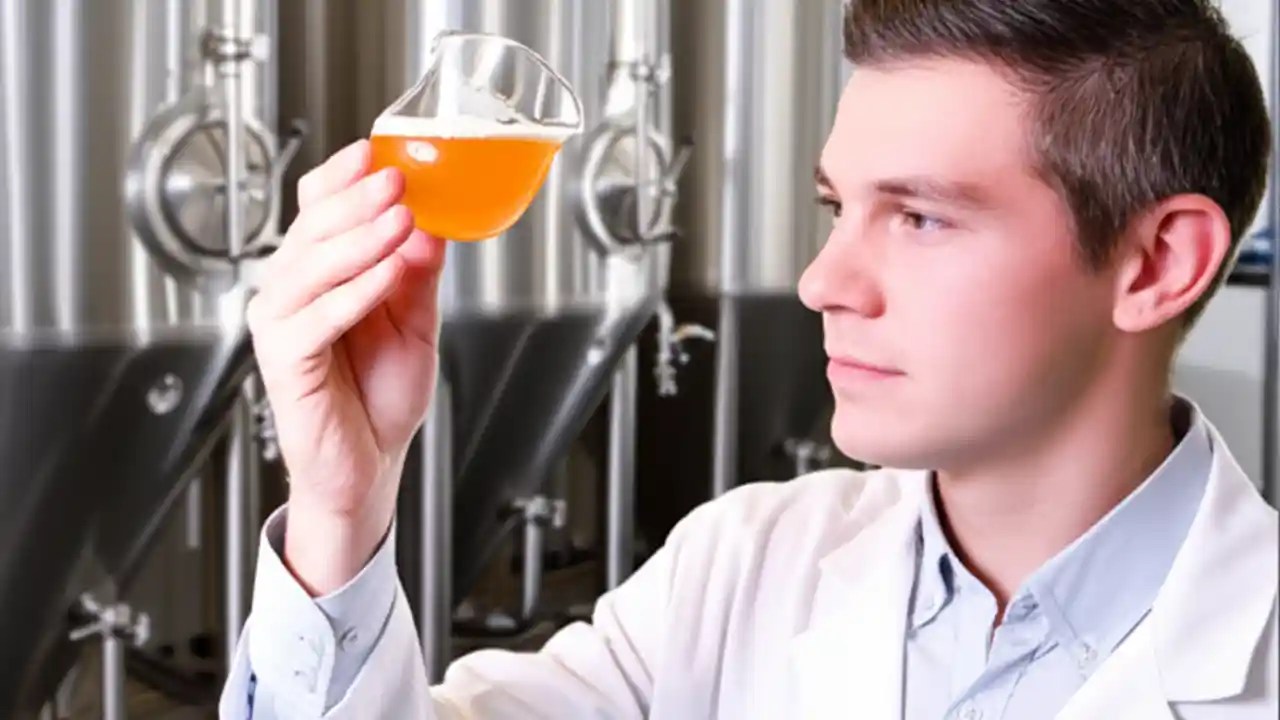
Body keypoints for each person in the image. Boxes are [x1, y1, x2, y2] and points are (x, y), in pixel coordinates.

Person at [221, 0, 1278, 717]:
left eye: (917, 219)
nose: (823, 282)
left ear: (1154, 260)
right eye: (835, 207)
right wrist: (340, 508)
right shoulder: (739, 565)